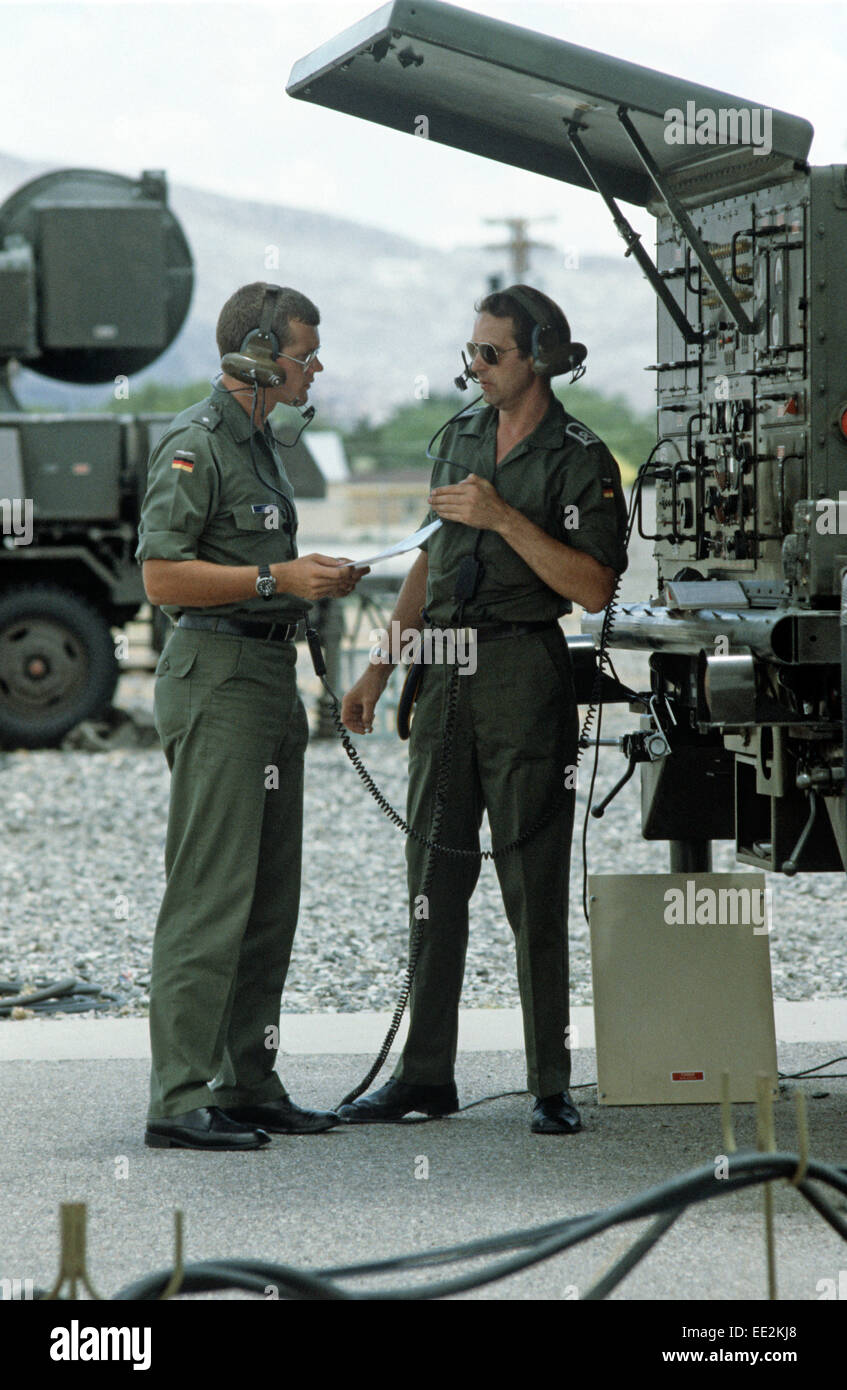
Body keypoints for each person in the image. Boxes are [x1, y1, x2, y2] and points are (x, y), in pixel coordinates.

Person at [339, 284, 627, 1134]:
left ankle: (549, 1083)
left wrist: (503, 519)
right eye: (470, 350)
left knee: (530, 882)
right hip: (443, 669)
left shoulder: (579, 455)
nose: (474, 366)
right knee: (433, 878)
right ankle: (425, 1076)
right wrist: (378, 671)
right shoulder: (459, 434)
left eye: (490, 353)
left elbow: (591, 587)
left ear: (537, 356)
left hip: (520, 669)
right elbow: (427, 565)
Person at [137, 282, 367, 1150]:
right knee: (211, 893)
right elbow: (162, 578)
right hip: (218, 674)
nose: (315, 368)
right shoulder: (196, 445)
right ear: (261, 354)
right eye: (306, 354)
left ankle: (248, 1079)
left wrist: (309, 579)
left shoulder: (265, 448)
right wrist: (277, 580)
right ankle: (180, 1097)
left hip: (267, 676)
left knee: (270, 899)